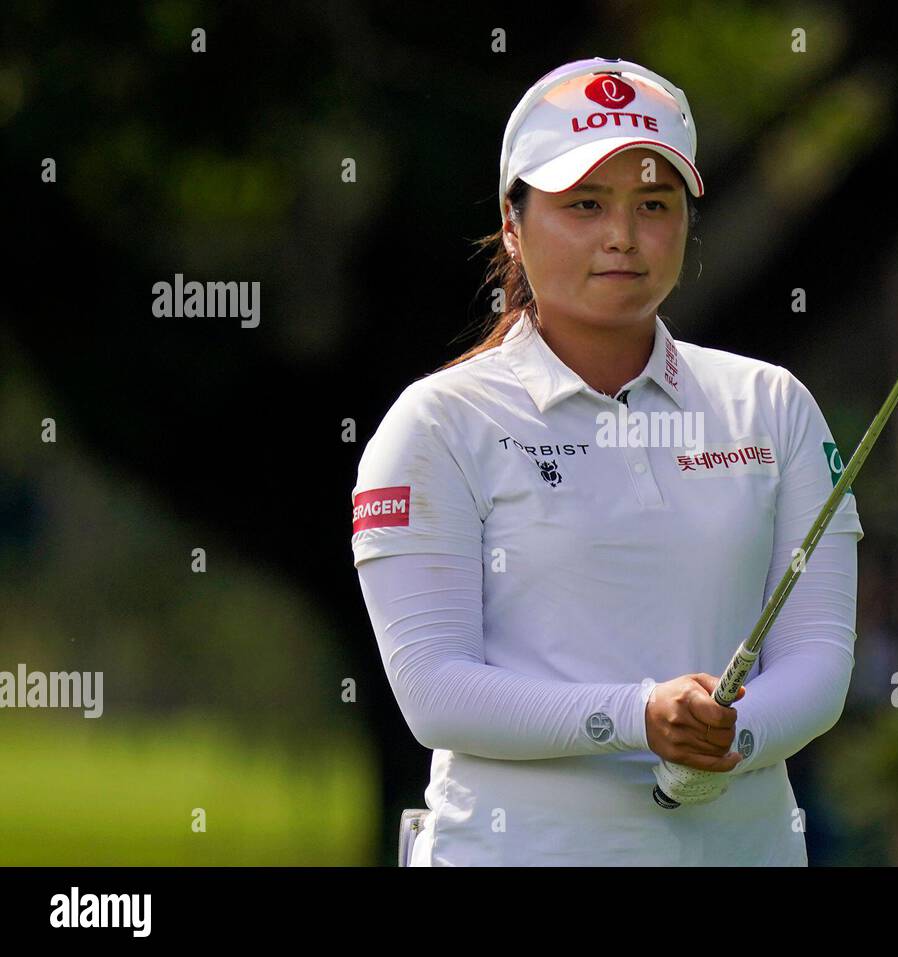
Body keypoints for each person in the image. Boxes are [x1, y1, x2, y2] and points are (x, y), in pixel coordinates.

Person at [350, 57, 863, 866]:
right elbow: (434, 690)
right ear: (513, 225)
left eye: (653, 204)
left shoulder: (773, 406)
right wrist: (639, 716)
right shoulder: (440, 423)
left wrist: (726, 734)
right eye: (584, 205)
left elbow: (820, 662)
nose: (623, 236)